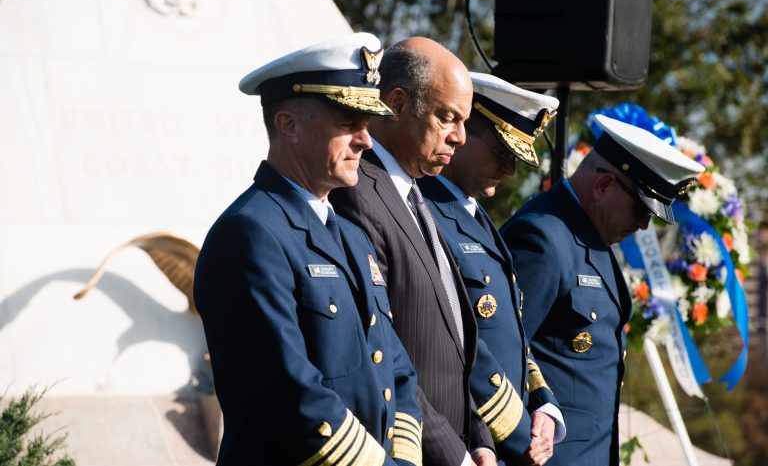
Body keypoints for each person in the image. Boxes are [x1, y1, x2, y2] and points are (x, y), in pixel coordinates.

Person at [194, 32, 422, 466]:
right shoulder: (249, 235)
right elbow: (289, 394)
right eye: (348, 123)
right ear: (289, 125)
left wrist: (405, 460)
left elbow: (397, 369)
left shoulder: (350, 235)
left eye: (366, 124)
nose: (366, 141)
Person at [499, 114, 705, 466]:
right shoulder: (544, 237)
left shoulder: (588, 235)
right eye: (642, 208)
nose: (643, 225)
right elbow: (500, 354)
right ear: (603, 186)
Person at [330, 37, 497, 466]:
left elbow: (458, 342)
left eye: (463, 121)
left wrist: (479, 438)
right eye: (447, 118)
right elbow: (386, 347)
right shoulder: (359, 195)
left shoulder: (415, 194)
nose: (460, 137)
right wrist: (451, 453)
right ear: (399, 104)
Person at [417, 72, 565, 466]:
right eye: (503, 153)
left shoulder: (475, 216)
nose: (511, 171)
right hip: (464, 442)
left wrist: (543, 403)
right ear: (463, 131)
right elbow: (457, 340)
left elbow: (511, 331)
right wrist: (518, 431)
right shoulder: (426, 215)